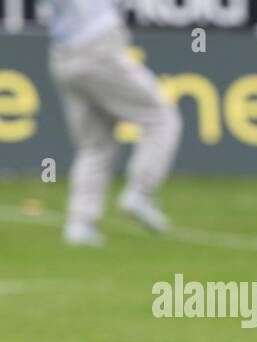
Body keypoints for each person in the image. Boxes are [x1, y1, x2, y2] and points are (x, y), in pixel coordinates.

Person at [47, 0, 181, 246]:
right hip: (97, 46)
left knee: (95, 145)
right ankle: (141, 192)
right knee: (161, 118)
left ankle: (80, 224)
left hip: (63, 54)